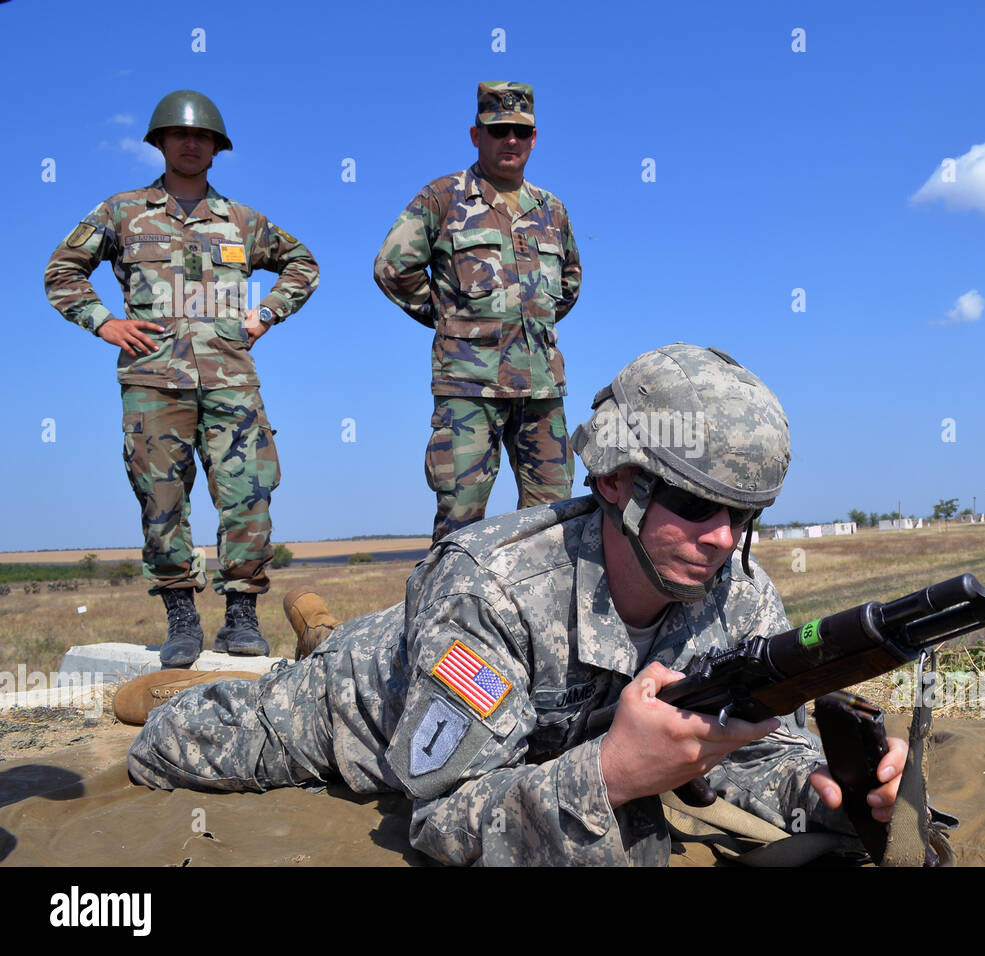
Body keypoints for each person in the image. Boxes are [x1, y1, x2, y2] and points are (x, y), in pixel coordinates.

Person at [124, 344, 907, 866]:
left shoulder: (738, 591)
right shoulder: (489, 587)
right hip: (360, 700)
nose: (722, 540)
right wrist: (610, 774)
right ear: (614, 483)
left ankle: (315, 622)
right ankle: (254, 663)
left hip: (466, 684)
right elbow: (441, 817)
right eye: (698, 507)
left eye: (745, 516)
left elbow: (761, 748)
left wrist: (824, 792)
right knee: (174, 742)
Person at [44, 90, 320, 666]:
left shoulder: (241, 220)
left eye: (202, 138)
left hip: (231, 379)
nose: (191, 144)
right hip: (152, 380)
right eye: (179, 135)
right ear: (161, 143)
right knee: (161, 498)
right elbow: (62, 271)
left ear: (217, 149)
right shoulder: (122, 212)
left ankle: (242, 615)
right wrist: (104, 323)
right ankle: (181, 617)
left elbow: (303, 263)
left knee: (248, 494)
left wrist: (265, 314)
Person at [373, 81, 581, 545]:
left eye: (520, 132)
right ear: (476, 135)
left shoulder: (552, 210)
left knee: (554, 517)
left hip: (541, 386)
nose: (510, 140)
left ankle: (537, 614)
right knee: (461, 515)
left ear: (533, 138)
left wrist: (530, 327)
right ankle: (447, 613)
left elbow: (568, 285)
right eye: (498, 130)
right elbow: (392, 267)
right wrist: (450, 320)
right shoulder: (443, 198)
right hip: (468, 386)